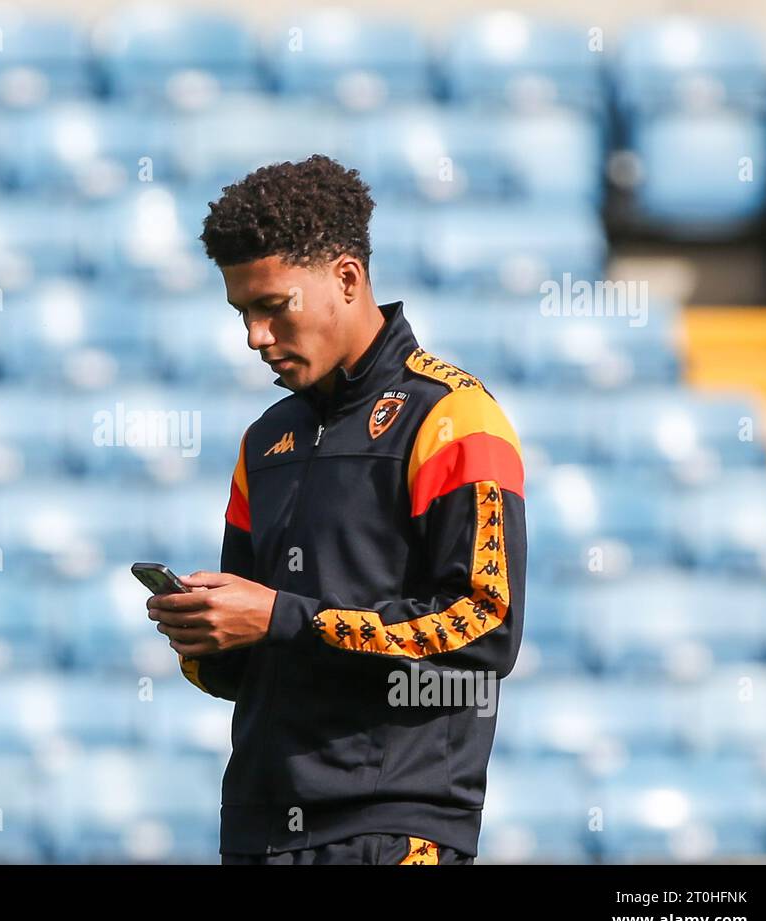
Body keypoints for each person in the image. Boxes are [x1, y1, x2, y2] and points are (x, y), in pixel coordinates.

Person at [145, 155, 527, 865]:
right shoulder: (264, 441)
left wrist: (281, 616)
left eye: (273, 306)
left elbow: (485, 630)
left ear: (347, 278)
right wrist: (207, 637)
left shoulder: (452, 415)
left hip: (393, 832)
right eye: (242, 313)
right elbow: (251, 662)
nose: (255, 336)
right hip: (259, 828)